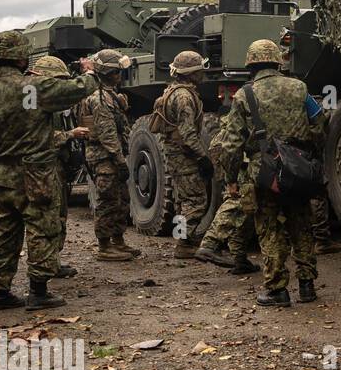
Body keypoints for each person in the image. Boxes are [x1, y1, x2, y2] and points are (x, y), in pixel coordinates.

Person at [0, 32, 103, 310]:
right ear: (22, 58)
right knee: (42, 230)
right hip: (36, 175)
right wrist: (91, 72)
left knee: (4, 233)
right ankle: (38, 291)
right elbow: (78, 89)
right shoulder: (33, 88)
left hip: (0, 175)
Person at [219, 39, 325, 306]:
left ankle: (277, 290)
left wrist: (231, 179)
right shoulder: (300, 88)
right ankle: (307, 286)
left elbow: (231, 143)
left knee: (269, 229)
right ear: (279, 62)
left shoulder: (245, 95)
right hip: (298, 170)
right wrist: (306, 151)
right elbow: (319, 122)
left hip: (265, 174)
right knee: (301, 224)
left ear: (250, 65)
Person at [75, 49, 140, 262]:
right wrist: (120, 160)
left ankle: (118, 241)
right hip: (104, 157)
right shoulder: (100, 98)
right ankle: (104, 246)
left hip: (111, 155)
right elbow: (107, 134)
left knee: (121, 199)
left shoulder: (110, 94)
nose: (120, 75)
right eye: (117, 71)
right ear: (109, 73)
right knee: (107, 201)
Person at [30, 55, 91, 278]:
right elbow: (36, 137)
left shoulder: (54, 104)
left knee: (60, 216)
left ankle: (54, 260)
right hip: (44, 166)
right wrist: (69, 135)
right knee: (47, 220)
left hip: (59, 165)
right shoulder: (33, 100)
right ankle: (43, 269)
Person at [152, 50, 212, 258]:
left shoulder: (172, 91)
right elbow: (187, 133)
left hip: (174, 153)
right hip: (184, 155)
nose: (203, 73)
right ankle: (185, 244)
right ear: (192, 73)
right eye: (199, 70)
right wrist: (202, 157)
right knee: (196, 200)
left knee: (182, 200)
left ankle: (182, 240)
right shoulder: (185, 96)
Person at [195, 109, 258, 274]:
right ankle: (209, 244)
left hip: (233, 147)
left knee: (249, 207)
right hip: (233, 149)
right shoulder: (254, 95)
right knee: (239, 198)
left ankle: (238, 258)